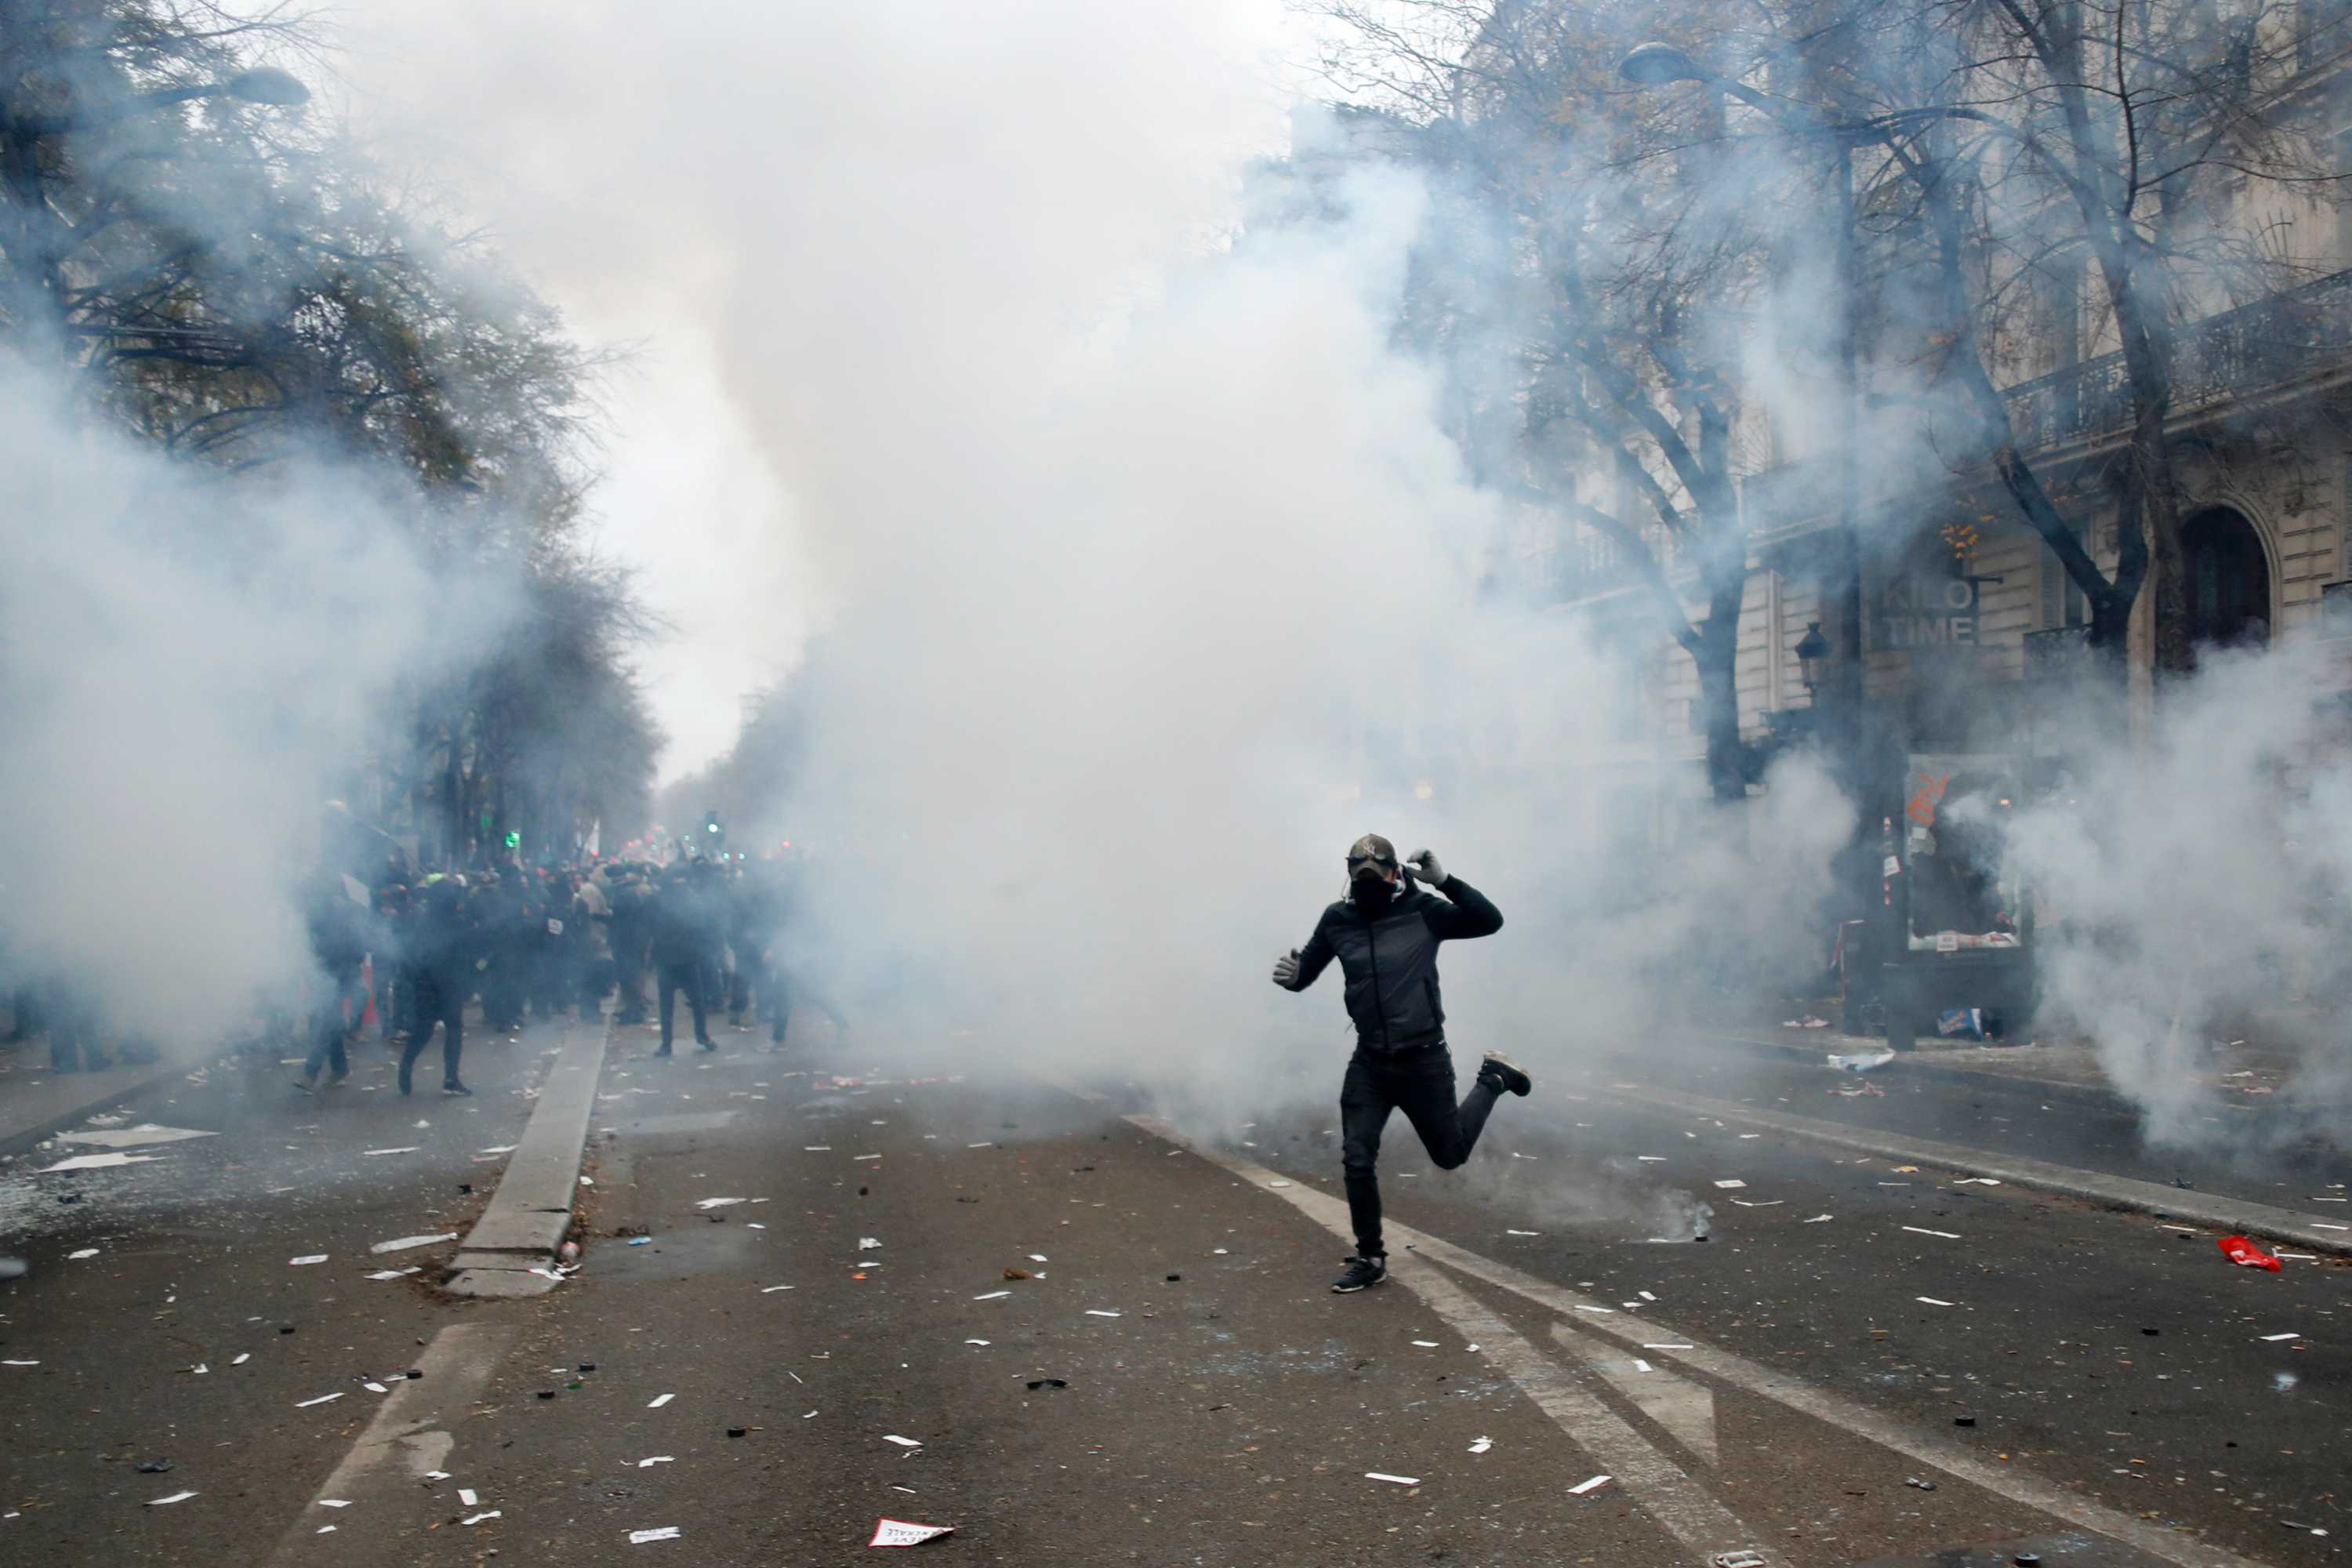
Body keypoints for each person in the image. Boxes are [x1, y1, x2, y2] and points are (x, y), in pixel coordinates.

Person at [1271, 834, 1529, 1294]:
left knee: (1450, 1155)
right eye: (1359, 875)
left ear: (1396, 873)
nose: (1367, 883)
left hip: (1423, 1059)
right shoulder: (1338, 919)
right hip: (1370, 1062)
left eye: (1377, 874)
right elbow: (1306, 970)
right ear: (1349, 876)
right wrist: (1293, 978)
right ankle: (1370, 1257)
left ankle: (1493, 1078)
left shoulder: (1423, 911)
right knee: (1356, 1156)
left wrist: (1446, 882)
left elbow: (1490, 921)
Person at [400, 876, 476, 1096]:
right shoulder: (458, 922)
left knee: (423, 1030)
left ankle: (406, 1064)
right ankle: (451, 1079)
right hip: (449, 984)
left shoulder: (421, 923)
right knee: (453, 1029)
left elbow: (410, 953)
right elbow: (465, 955)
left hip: (424, 983)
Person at [651, 866, 714, 1056]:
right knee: (697, 1000)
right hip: (687, 957)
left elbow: (650, 927)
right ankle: (702, 1036)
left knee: (666, 1004)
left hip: (667, 959)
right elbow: (701, 926)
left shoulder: (658, 899)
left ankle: (666, 1043)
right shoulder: (691, 898)